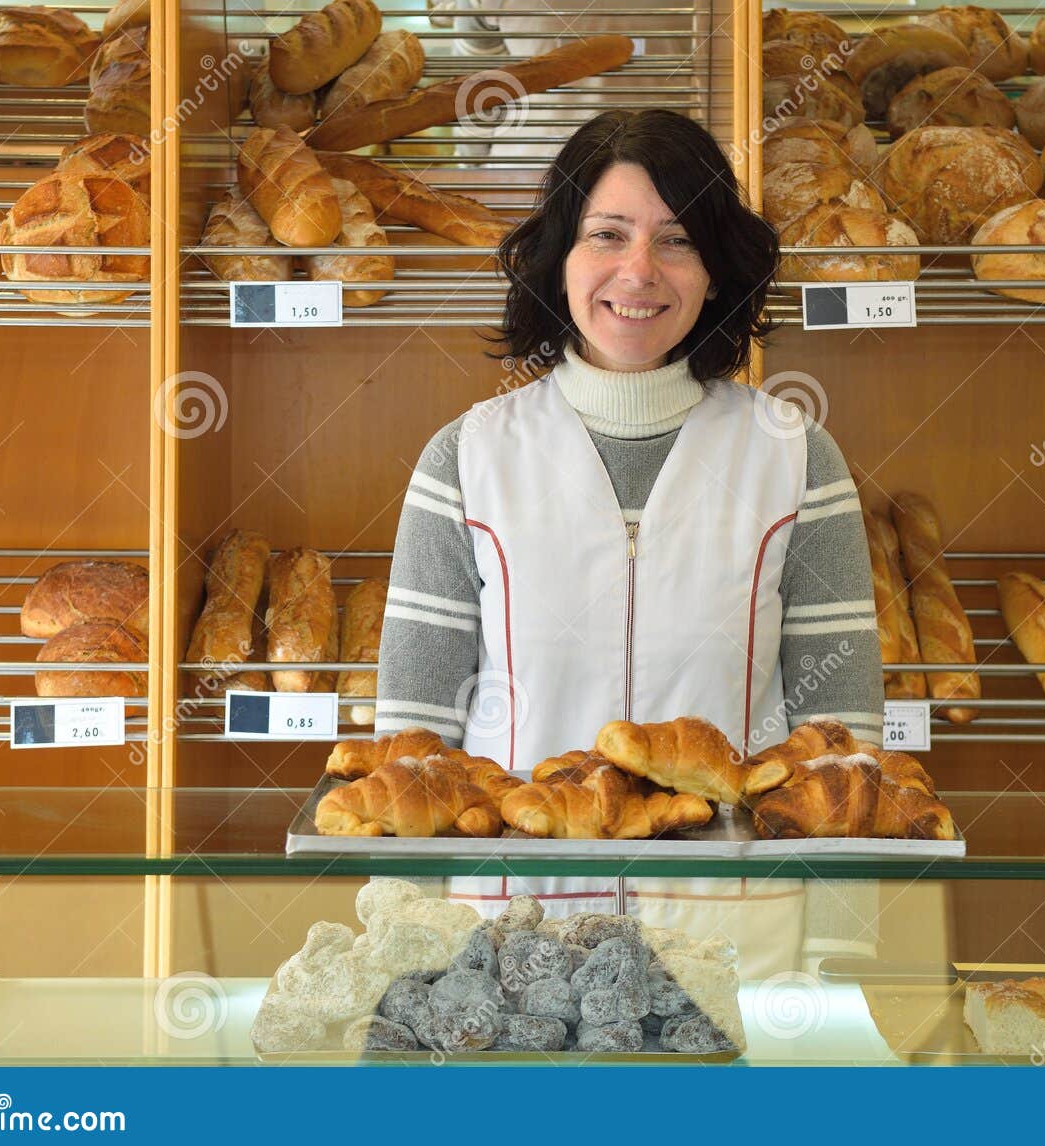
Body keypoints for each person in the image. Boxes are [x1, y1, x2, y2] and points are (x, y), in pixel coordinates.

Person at [375, 108, 884, 976]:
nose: (638, 271)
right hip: (508, 946)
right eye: (606, 234)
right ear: (559, 259)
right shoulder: (467, 458)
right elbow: (414, 741)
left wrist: (834, 970)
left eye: (677, 240)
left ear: (717, 269)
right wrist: (409, 959)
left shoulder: (796, 457)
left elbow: (846, 750)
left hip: (737, 947)